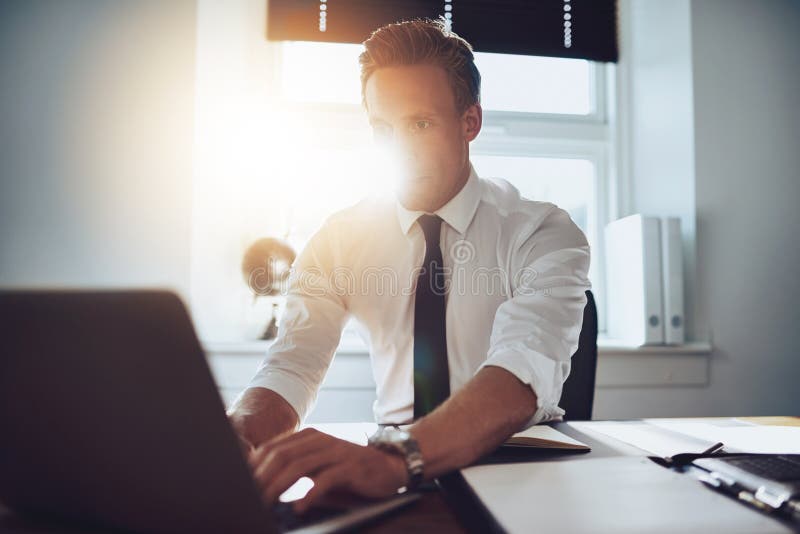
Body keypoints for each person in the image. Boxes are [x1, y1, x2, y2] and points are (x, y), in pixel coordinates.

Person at [228, 18, 591, 513]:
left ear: (470, 122)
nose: (400, 147)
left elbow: (520, 372)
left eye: (420, 124)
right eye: (384, 128)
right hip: (390, 476)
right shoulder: (340, 239)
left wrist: (398, 457)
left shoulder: (542, 233)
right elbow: (293, 363)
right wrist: (239, 431)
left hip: (518, 471)